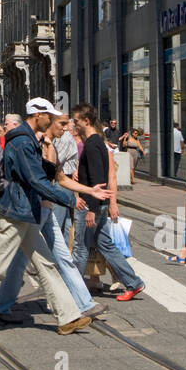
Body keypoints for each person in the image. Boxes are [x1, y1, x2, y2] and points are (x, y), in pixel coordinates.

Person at [0, 98, 104, 336]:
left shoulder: (28, 139)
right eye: (49, 116)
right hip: (14, 212)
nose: (52, 120)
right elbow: (36, 179)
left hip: (24, 210)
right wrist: (71, 199)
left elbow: (40, 171)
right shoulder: (23, 141)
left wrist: (79, 187)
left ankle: (68, 316)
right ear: (38, 115)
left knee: (47, 264)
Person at [70, 104, 146, 301]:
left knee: (80, 248)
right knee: (106, 245)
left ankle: (73, 291)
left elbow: (98, 179)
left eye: (76, 120)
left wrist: (92, 210)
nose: (74, 124)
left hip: (90, 204)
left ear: (86, 121)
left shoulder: (92, 144)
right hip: (96, 204)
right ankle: (133, 283)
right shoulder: (98, 143)